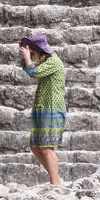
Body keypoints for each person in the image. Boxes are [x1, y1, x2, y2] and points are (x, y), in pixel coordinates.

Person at [18, 33, 66, 185]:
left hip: (52, 109)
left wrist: (26, 58)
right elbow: (28, 68)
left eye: (32, 53)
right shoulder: (46, 61)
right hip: (42, 108)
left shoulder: (54, 61)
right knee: (35, 147)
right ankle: (56, 178)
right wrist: (23, 55)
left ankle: (55, 183)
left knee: (46, 147)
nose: (30, 56)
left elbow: (34, 72)